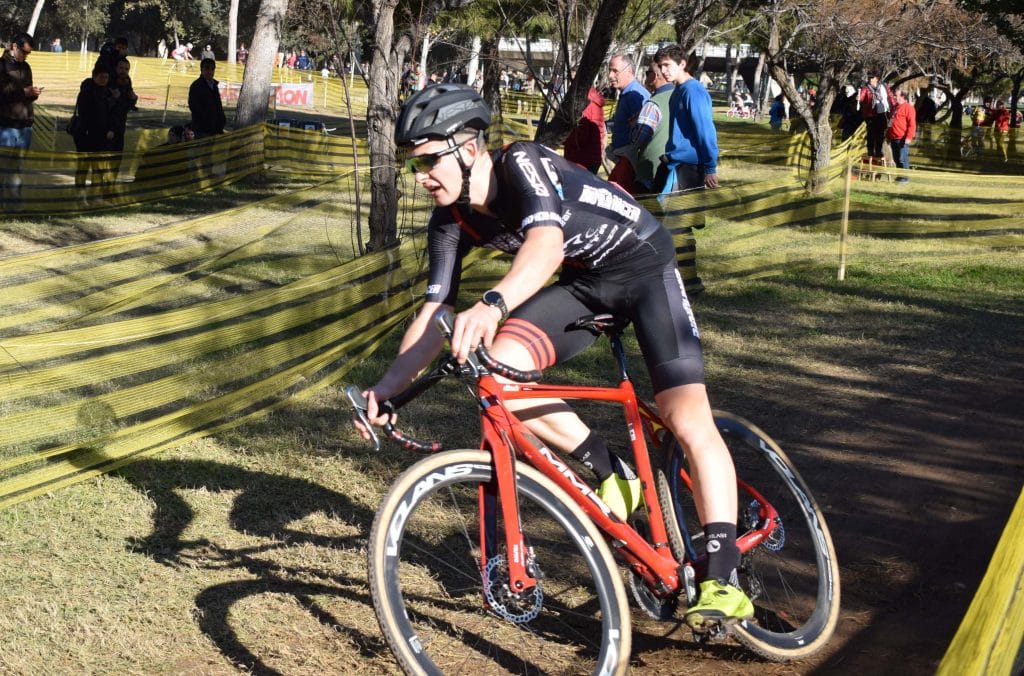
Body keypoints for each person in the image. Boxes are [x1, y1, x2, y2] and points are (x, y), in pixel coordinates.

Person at [354, 83, 755, 630]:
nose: (421, 176)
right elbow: (432, 316)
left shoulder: (522, 162)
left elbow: (545, 245)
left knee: (687, 417)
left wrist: (493, 303)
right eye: (412, 165)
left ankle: (723, 576)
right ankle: (608, 465)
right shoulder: (450, 221)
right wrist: (389, 389)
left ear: (468, 148)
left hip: (645, 269)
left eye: (427, 161)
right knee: (498, 368)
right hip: (588, 285)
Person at [658, 43, 720, 191]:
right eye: (660, 66)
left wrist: (710, 168)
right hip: (674, 163)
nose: (662, 70)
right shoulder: (678, 90)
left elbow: (705, 132)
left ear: (682, 64)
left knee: (685, 214)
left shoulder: (693, 91)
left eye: (667, 65)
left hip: (689, 168)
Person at [0, 32, 42, 210]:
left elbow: (25, 95)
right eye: (24, 52)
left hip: (25, 126)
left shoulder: (26, 68)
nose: (25, 56)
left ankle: (14, 203)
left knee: (17, 166)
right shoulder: (1, 66)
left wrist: (33, 95)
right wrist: (24, 92)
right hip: (5, 126)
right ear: (14, 46)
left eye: (28, 54)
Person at [627, 62, 675, 193]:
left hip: (650, 171)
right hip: (674, 170)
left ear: (655, 76)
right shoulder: (680, 96)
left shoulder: (653, 104)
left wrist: (633, 126)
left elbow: (637, 140)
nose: (645, 77)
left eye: (648, 73)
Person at [605, 53, 649, 187]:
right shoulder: (627, 93)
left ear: (629, 71)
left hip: (629, 162)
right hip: (624, 159)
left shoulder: (634, 96)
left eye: (615, 71)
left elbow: (642, 132)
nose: (610, 75)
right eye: (609, 71)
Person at [73, 66, 117, 198]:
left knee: (98, 167)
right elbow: (86, 115)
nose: (104, 79)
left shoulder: (106, 93)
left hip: (101, 136)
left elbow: (109, 114)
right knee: (83, 166)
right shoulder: (86, 92)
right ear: (94, 76)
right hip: (85, 135)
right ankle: (80, 195)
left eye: (107, 77)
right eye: (101, 76)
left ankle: (94, 195)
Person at [562, 81, 605, 175]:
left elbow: (580, 137)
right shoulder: (594, 102)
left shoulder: (585, 104)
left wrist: (563, 138)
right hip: (592, 157)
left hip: (581, 159)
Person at [188, 57, 226, 138]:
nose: (210, 71)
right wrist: (206, 119)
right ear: (201, 70)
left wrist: (222, 120)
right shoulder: (196, 86)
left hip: (216, 128)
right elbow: (194, 106)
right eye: (207, 68)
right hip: (201, 129)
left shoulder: (215, 85)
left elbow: (218, 105)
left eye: (212, 69)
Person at [108, 56, 138, 152]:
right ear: (115, 68)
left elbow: (127, 106)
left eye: (126, 69)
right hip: (106, 126)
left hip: (120, 125)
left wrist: (133, 99)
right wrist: (113, 98)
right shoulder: (108, 80)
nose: (123, 71)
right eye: (121, 68)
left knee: (117, 156)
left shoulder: (127, 81)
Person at [859, 71, 892, 158]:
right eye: (869, 78)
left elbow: (890, 97)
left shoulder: (884, 86)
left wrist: (894, 107)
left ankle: (878, 150)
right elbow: (861, 96)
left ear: (877, 79)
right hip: (870, 114)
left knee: (880, 133)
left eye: (872, 78)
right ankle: (870, 150)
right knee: (871, 132)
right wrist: (859, 98)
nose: (870, 79)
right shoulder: (866, 88)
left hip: (882, 113)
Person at [886, 88, 916, 183]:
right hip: (893, 138)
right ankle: (900, 176)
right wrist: (888, 136)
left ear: (902, 96)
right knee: (896, 159)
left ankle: (905, 178)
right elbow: (890, 123)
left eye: (896, 95)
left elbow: (912, 124)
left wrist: (909, 137)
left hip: (902, 138)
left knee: (902, 159)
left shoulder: (908, 108)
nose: (894, 97)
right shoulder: (894, 108)